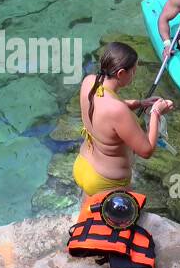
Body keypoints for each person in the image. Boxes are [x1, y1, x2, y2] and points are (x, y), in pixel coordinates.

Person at [74, 42, 174, 196]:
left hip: (83, 165)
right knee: (120, 219)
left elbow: (105, 108)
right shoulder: (118, 111)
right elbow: (146, 151)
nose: (134, 75)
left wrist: (140, 103)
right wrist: (156, 113)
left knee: (88, 212)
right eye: (133, 72)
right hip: (106, 181)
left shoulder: (90, 82)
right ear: (121, 73)